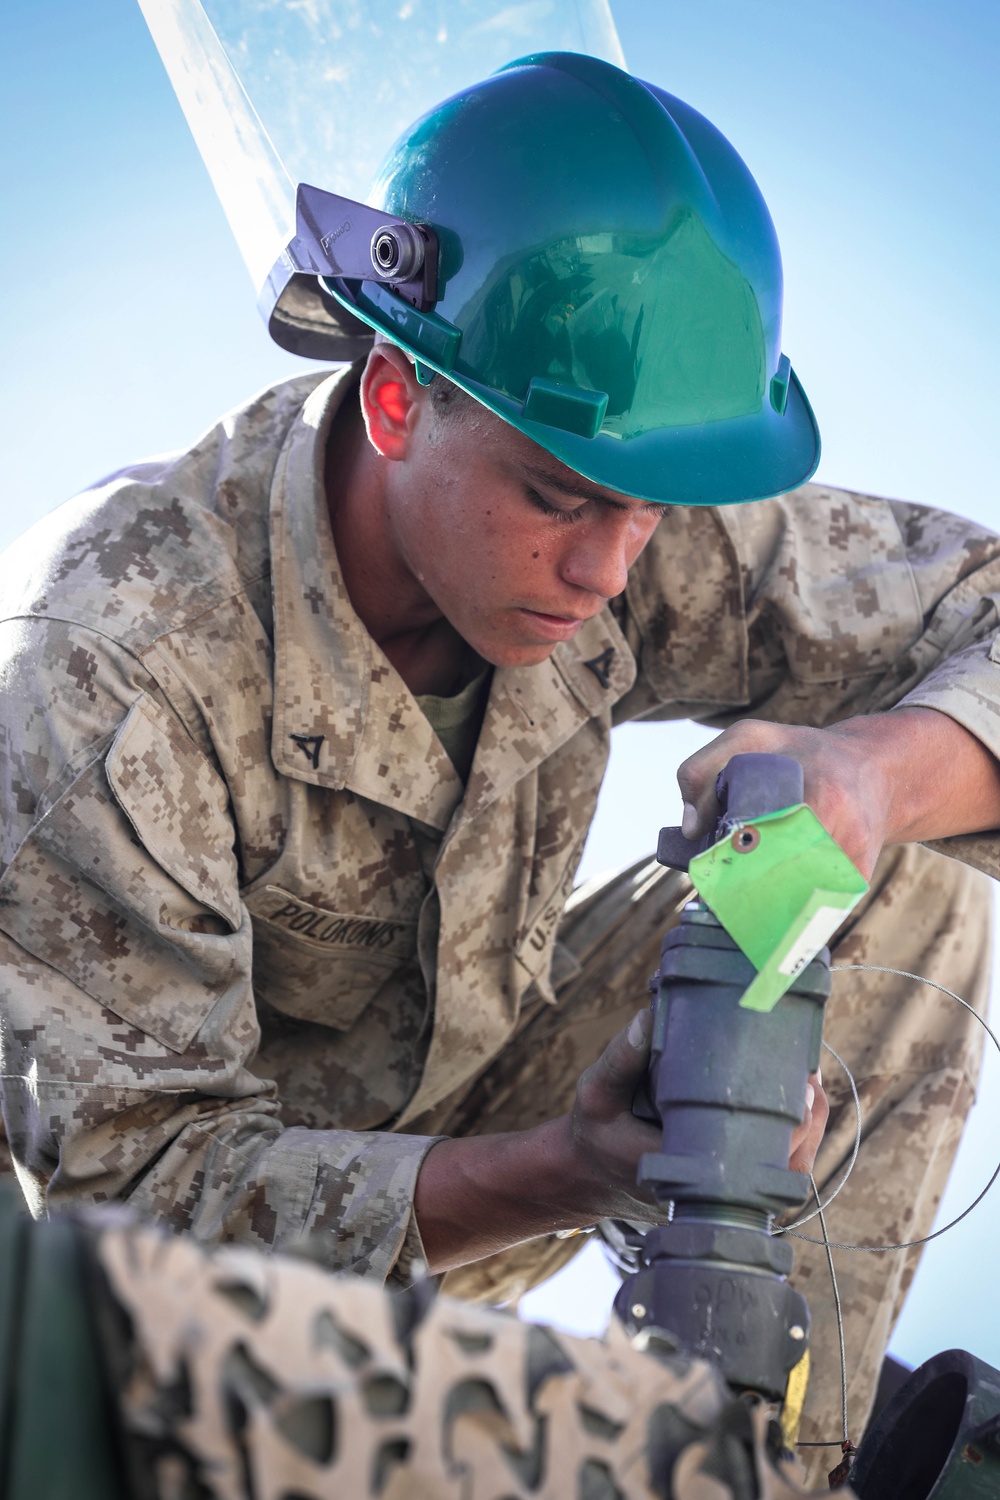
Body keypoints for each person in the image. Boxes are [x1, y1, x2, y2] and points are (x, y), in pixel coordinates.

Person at [1, 52, 998, 1468]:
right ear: (398, 398)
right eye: (559, 500)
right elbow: (128, 1201)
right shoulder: (103, 662)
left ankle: (763, 1467)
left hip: (501, 1135)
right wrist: (561, 1172)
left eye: (648, 513)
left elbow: (982, 608)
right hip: (197, 1300)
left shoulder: (614, 494)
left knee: (897, 850)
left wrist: (881, 779)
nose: (607, 566)